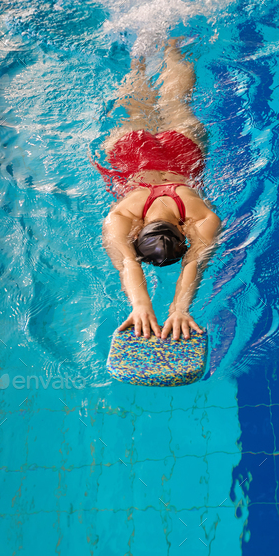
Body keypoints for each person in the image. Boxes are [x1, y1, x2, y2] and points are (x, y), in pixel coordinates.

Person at [91, 39, 221, 341]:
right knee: (139, 105)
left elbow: (190, 260)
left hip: (183, 146)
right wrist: (173, 308)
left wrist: (157, 306)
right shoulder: (122, 215)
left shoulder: (200, 216)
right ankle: (153, 51)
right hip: (131, 151)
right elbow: (190, 263)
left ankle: (161, 48)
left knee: (176, 100)